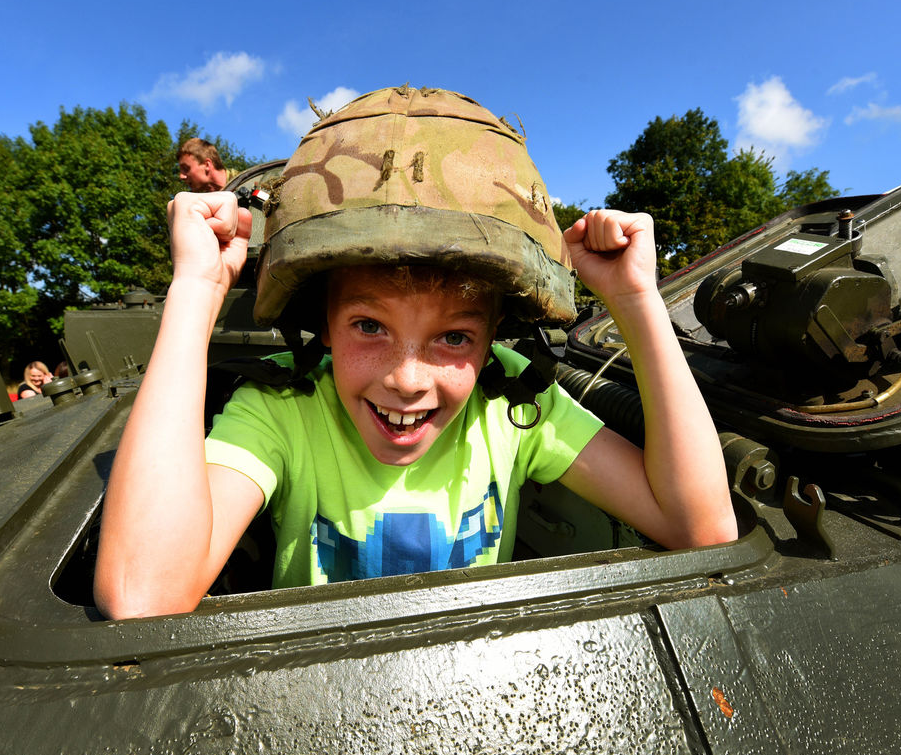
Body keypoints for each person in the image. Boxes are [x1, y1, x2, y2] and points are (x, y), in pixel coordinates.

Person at [95, 87, 737, 620]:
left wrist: (636, 300)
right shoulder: (283, 406)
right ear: (322, 325)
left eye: (454, 337)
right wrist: (196, 291)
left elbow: (700, 528)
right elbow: (143, 594)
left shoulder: (510, 399)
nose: (407, 380)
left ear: (492, 341)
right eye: (369, 326)